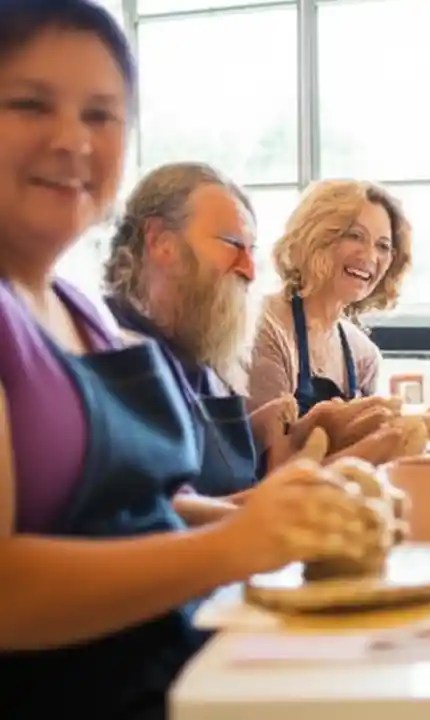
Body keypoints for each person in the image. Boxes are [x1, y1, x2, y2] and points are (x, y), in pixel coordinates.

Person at [0, 4, 370, 718]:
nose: (74, 139)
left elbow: (147, 510)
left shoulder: (81, 316)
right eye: (30, 104)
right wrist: (236, 547)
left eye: (102, 115)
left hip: (184, 672)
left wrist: (279, 510)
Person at [102, 163, 404, 506]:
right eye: (232, 244)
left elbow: (224, 471)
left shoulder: (196, 355)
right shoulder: (118, 358)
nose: (247, 269)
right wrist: (345, 468)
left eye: (251, 250)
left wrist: (288, 427)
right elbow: (167, 522)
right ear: (161, 242)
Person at [246, 178, 413, 415]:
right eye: (355, 236)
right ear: (317, 237)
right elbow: (272, 448)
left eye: (383, 246)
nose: (370, 256)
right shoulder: (264, 328)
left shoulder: (363, 355)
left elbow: (368, 442)